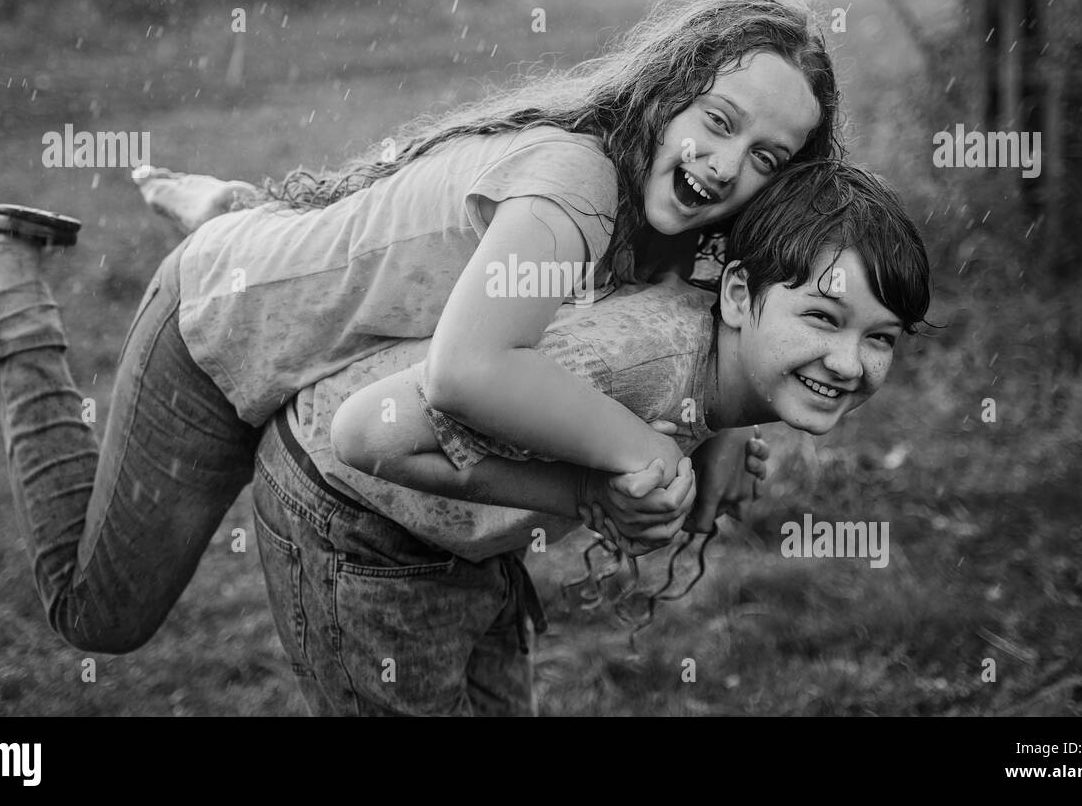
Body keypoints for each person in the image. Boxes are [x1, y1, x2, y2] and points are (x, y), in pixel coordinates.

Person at [0, 0, 837, 655]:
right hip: (217, 336)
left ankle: (244, 215)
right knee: (100, 619)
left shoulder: (672, 228)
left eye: (766, 158)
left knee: (330, 253)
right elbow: (468, 372)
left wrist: (715, 432)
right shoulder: (579, 183)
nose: (725, 164)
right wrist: (638, 457)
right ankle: (6, 271)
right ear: (666, 92)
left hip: (319, 353)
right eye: (716, 121)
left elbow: (702, 347)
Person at [244, 160, 932, 715]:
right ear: (737, 297)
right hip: (350, 512)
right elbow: (365, 434)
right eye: (821, 317)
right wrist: (583, 493)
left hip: (459, 539)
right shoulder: (626, 357)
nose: (848, 363)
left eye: (880, 338)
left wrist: (710, 457)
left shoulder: (721, 370)